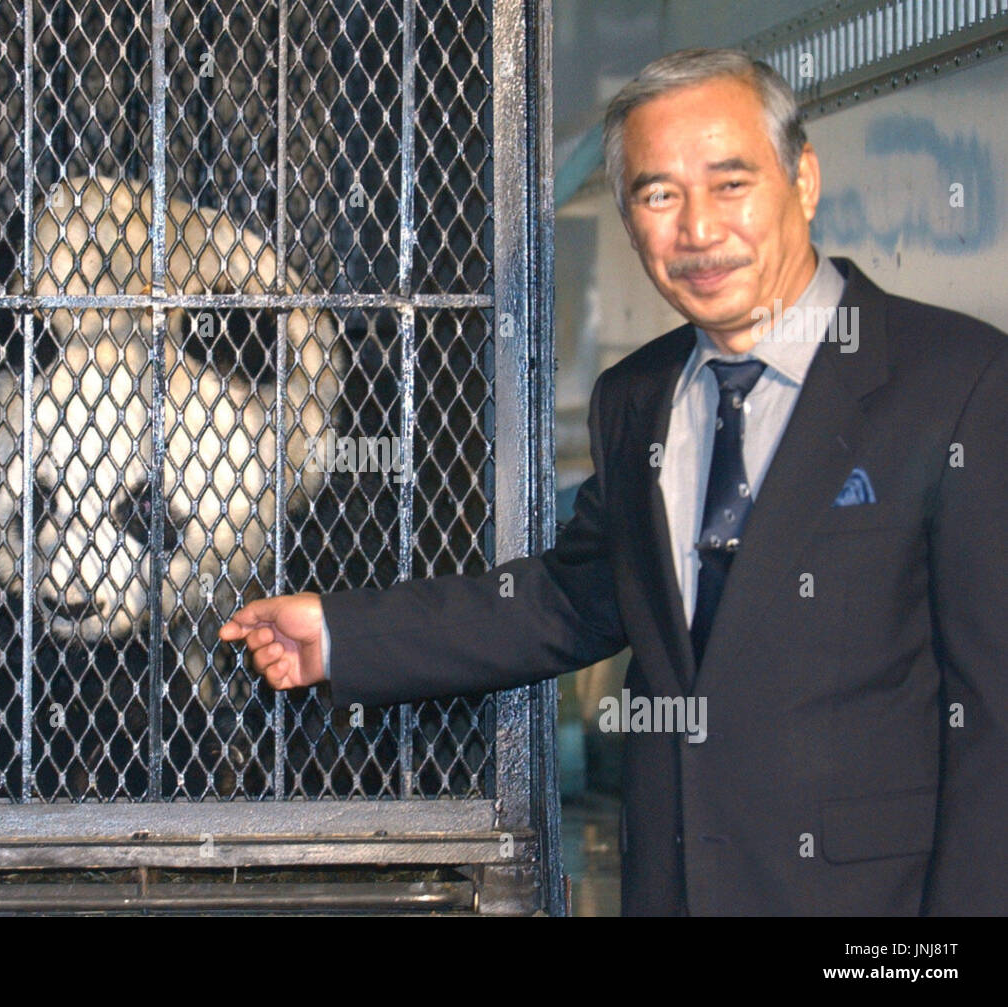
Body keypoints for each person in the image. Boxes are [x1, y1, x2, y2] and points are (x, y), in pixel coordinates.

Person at [218, 47, 1008, 916]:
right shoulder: (639, 398)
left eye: (730, 183)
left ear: (804, 179)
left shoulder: (957, 382)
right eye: (658, 194)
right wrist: (340, 633)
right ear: (630, 223)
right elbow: (572, 598)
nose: (698, 230)